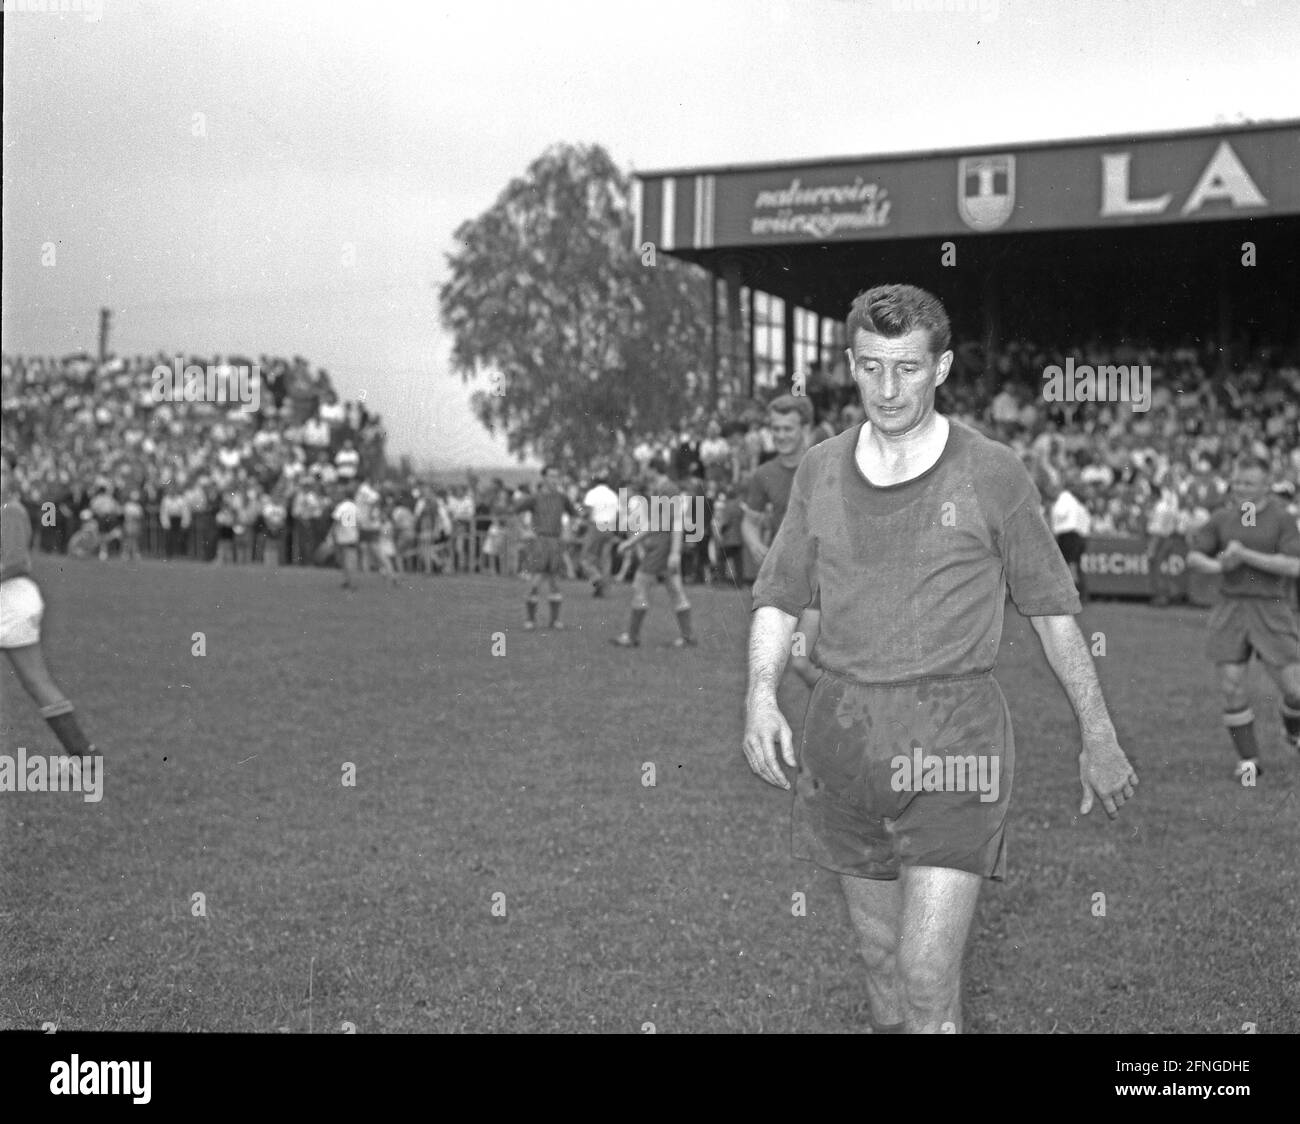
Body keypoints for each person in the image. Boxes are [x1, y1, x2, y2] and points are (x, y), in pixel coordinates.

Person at [743, 284, 1138, 1034]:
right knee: (882, 965)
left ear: (942, 366)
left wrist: (1099, 732)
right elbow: (779, 594)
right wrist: (761, 692)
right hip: (845, 738)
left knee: (927, 978)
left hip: (955, 744)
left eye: (907, 369)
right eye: (870, 368)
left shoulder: (991, 472)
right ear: (851, 366)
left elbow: (1053, 615)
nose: (887, 389)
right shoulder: (819, 470)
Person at [1186, 454, 1300, 783]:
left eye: (1249, 482)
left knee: (1295, 689)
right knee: (1232, 687)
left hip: (1271, 607)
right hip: (1230, 608)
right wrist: (1220, 565)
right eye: (1237, 481)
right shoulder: (1221, 518)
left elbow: (1294, 566)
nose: (1241, 488)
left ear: (1266, 486)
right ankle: (1248, 761)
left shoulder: (1283, 519)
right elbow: (1195, 555)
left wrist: (1245, 555)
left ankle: (1293, 729)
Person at [0, 452, 99, 765]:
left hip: (10, 601)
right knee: (36, 683)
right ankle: (84, 755)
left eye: (2, 471)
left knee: (37, 681)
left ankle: (84, 754)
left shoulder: (11, 510)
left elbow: (15, 562)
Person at [742, 395, 820, 687]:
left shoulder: (825, 464)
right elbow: (749, 521)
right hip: (790, 581)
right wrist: (754, 544)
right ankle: (847, 715)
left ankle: (848, 714)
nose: (781, 436)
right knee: (802, 661)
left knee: (802, 660)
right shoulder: (764, 474)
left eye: (788, 428)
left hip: (827, 577)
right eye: (776, 429)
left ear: (805, 429)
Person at [610, 462, 696, 648]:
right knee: (675, 589)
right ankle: (688, 637)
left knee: (640, 584)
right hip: (662, 546)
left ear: (653, 470)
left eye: (646, 469)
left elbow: (677, 522)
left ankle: (632, 637)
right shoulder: (662, 489)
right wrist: (631, 542)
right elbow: (654, 524)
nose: (643, 473)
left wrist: (674, 552)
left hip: (660, 548)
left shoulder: (668, 489)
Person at [513, 465, 576, 630]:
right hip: (540, 542)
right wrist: (525, 530)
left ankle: (555, 621)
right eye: (551, 476)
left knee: (555, 580)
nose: (554, 480)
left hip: (556, 541)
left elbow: (574, 514)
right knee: (536, 580)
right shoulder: (535, 497)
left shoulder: (562, 498)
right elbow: (515, 510)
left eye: (556, 476)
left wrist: (568, 531)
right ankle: (530, 620)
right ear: (544, 478)